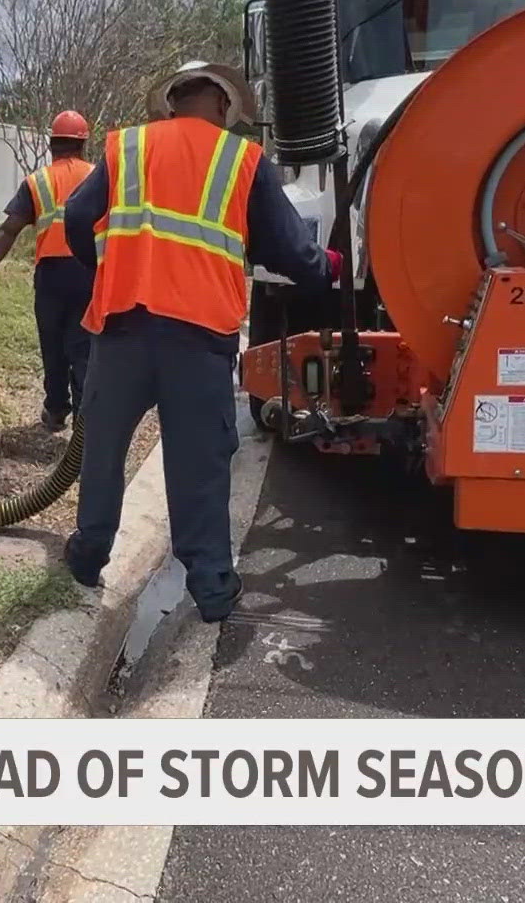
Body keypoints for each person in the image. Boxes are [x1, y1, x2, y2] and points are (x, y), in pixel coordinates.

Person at [61, 61, 339, 622]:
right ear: (225, 107)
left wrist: (109, 269)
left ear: (170, 103)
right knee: (199, 463)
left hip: (121, 331)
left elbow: (77, 217)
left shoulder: (126, 147)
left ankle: (89, 556)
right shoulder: (243, 159)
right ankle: (212, 588)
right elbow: (285, 248)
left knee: (104, 449)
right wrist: (326, 266)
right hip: (197, 338)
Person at [0, 110, 97, 432]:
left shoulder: (36, 181)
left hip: (51, 276)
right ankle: (86, 426)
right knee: (84, 347)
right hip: (91, 272)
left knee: (53, 345)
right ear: (84, 144)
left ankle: (56, 411)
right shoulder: (100, 177)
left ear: (51, 144)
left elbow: (7, 230)